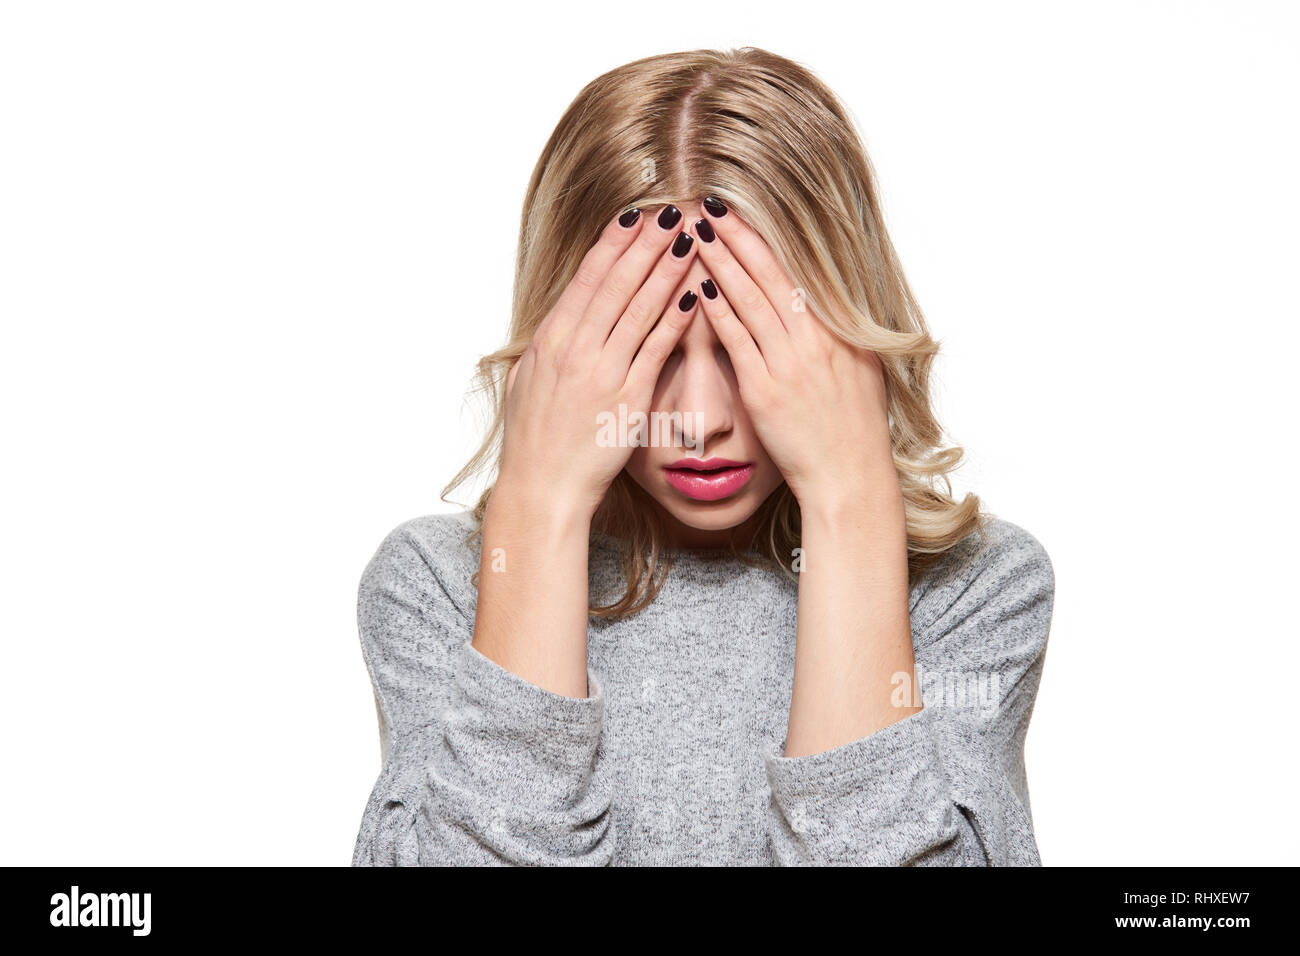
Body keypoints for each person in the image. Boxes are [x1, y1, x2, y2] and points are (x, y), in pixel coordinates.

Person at [351, 47, 1055, 866]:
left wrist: (849, 502)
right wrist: (537, 509)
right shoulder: (436, 590)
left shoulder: (975, 592)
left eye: (749, 349)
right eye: (642, 351)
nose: (696, 421)